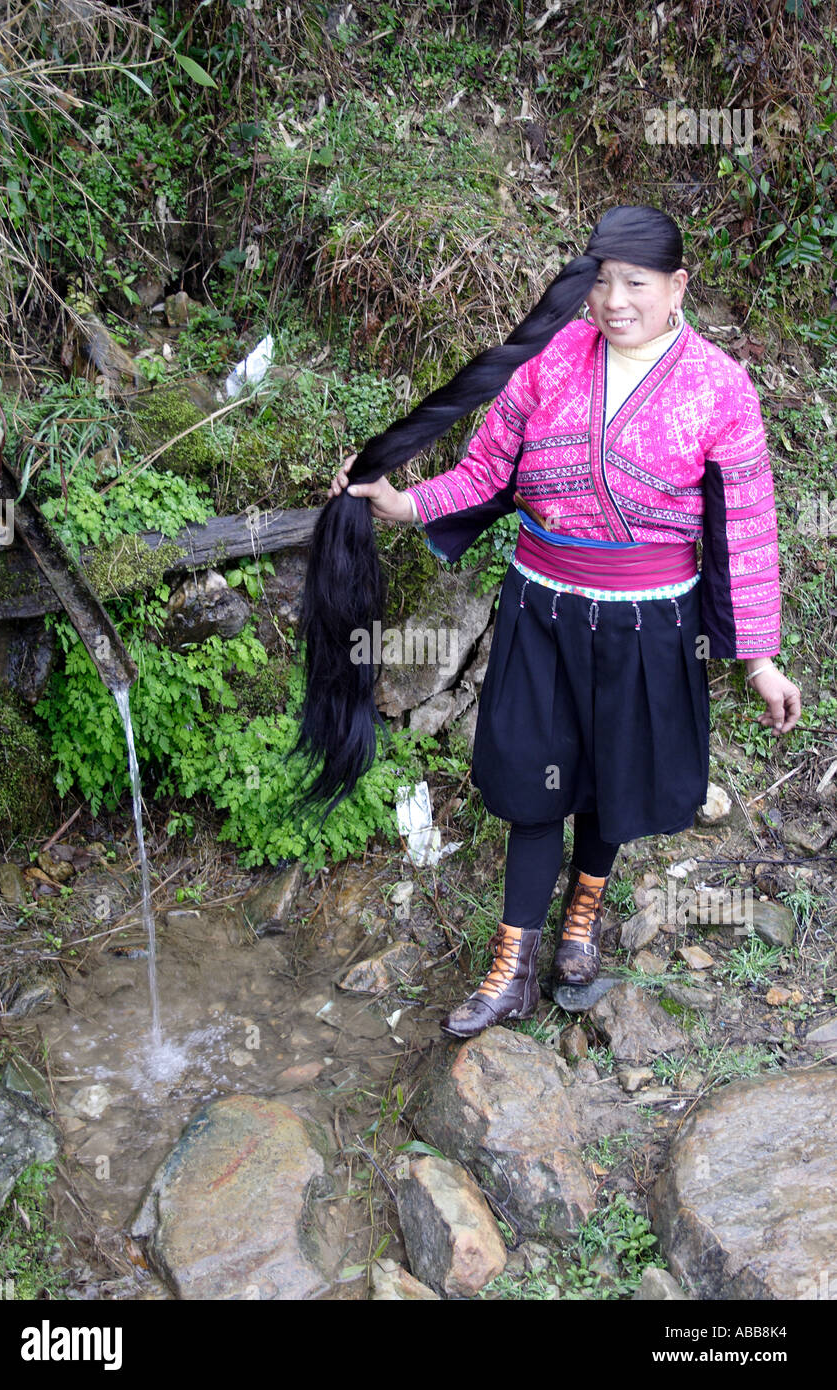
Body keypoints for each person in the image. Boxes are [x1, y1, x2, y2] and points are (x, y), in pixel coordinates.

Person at [322, 205, 801, 1039]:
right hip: (542, 610)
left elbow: (748, 530)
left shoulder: (718, 385)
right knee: (531, 783)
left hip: (650, 628)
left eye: (636, 284)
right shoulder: (549, 360)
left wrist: (759, 660)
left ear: (676, 286)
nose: (615, 302)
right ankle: (509, 967)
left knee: (611, 783)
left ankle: (579, 922)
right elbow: (486, 470)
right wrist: (406, 503)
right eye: (602, 282)